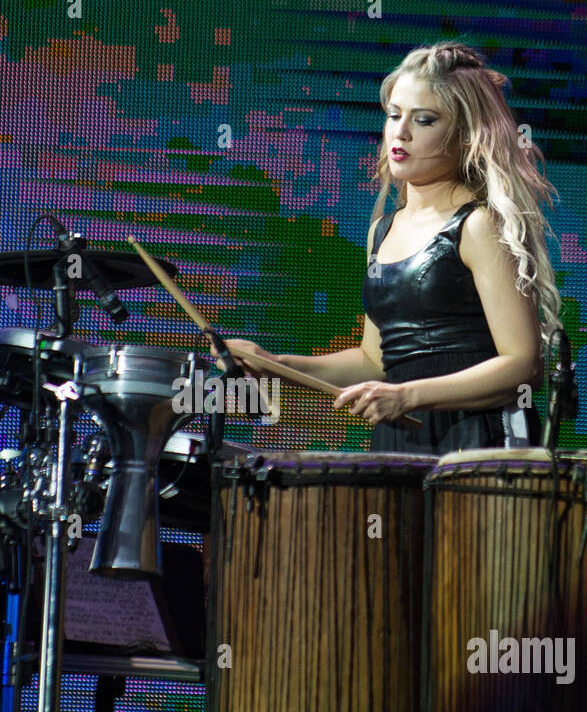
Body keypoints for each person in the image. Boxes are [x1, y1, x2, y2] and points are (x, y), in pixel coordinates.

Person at [224, 41, 561, 454]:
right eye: (394, 115)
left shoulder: (478, 225)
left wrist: (407, 396)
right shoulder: (381, 231)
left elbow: (523, 365)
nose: (400, 132)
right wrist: (275, 364)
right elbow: (374, 363)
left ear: (467, 135)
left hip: (480, 440)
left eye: (424, 120)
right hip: (400, 438)